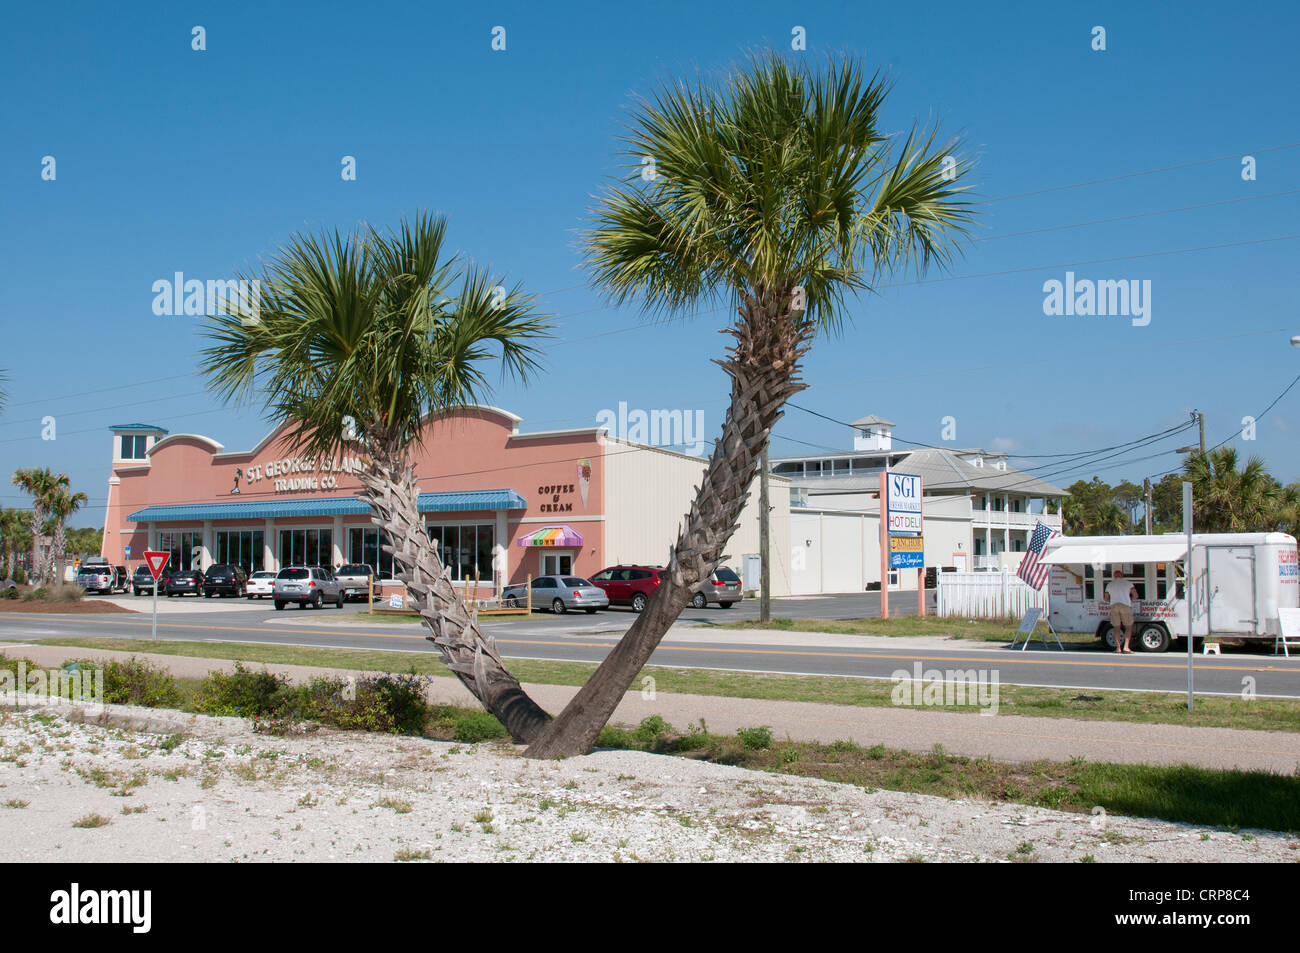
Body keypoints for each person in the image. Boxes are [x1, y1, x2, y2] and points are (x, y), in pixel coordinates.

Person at [1102, 567, 1138, 654]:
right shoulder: (1128, 583)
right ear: (1122, 575)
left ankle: (1118, 648)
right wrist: (1130, 600)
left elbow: (1106, 598)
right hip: (1125, 605)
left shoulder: (1109, 585)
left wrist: (1112, 600)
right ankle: (1126, 647)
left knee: (1116, 627)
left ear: (1114, 576)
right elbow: (1135, 595)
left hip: (1114, 606)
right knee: (1128, 627)